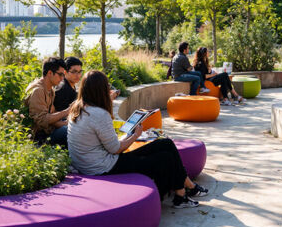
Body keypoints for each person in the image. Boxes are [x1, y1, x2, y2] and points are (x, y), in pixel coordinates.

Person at [67, 70, 208, 208]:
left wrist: (125, 136)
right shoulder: (99, 114)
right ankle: (181, 193)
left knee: (165, 144)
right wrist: (135, 135)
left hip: (90, 163)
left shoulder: (78, 108)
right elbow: (115, 149)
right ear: (101, 90)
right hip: (103, 167)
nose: (109, 89)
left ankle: (185, 189)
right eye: (107, 87)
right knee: (165, 157)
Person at [25, 57, 69, 146]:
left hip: (48, 131)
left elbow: (51, 114)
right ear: (49, 73)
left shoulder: (50, 89)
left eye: (63, 75)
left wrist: (67, 121)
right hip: (38, 138)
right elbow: (43, 120)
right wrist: (67, 111)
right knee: (69, 131)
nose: (62, 78)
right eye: (60, 74)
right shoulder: (38, 90)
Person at [53, 56, 119, 113]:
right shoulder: (63, 88)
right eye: (74, 72)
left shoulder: (71, 85)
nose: (78, 75)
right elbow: (62, 114)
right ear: (65, 72)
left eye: (80, 72)